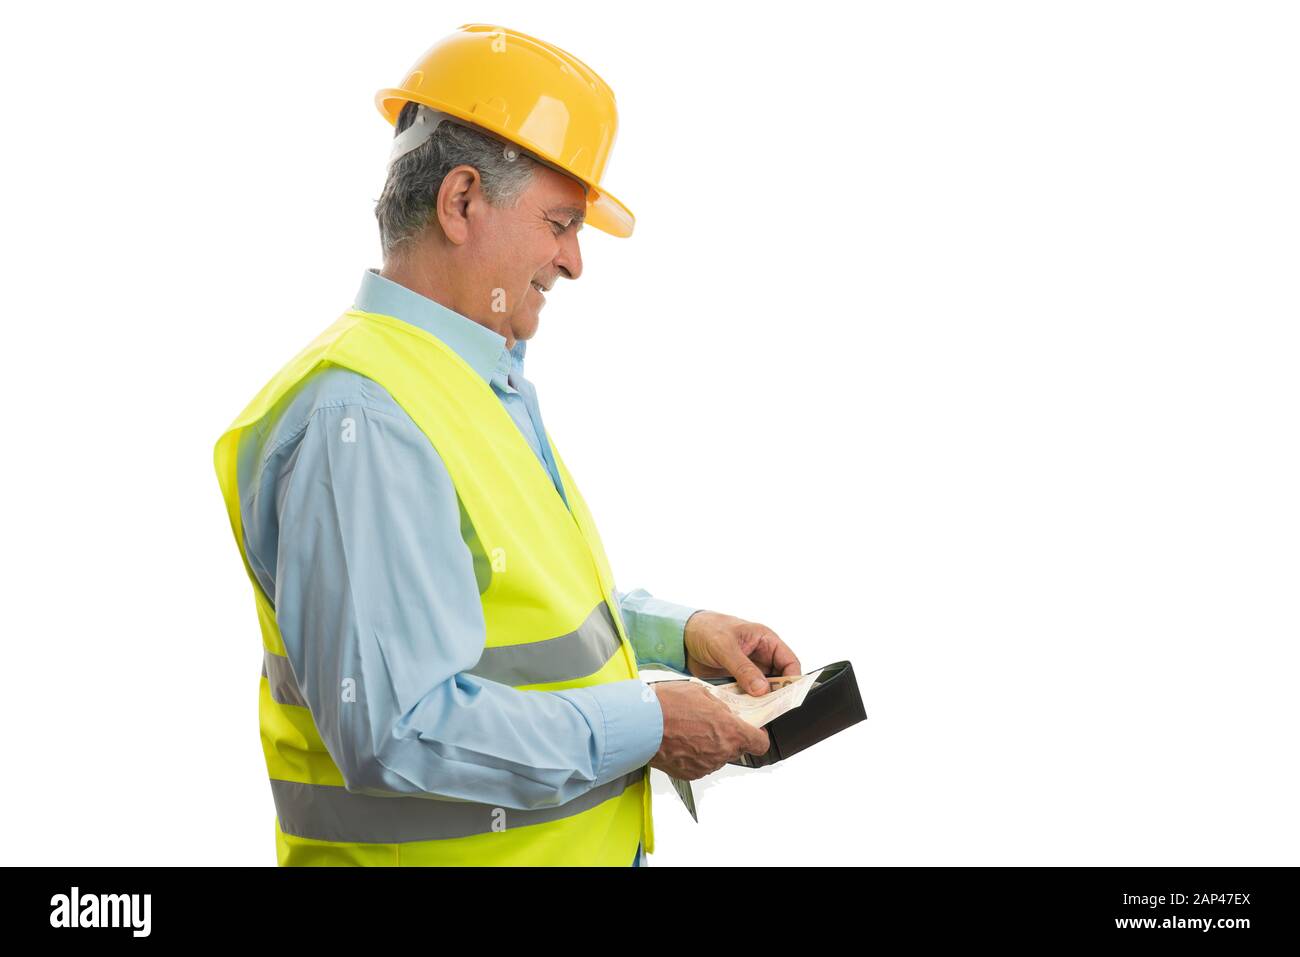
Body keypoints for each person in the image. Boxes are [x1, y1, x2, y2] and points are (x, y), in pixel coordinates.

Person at [214, 24, 800, 866]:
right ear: (461, 202)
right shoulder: (364, 418)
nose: (574, 261)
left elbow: (496, 604)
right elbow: (399, 729)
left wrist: (678, 633)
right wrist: (647, 723)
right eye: (561, 223)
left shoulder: (471, 380)